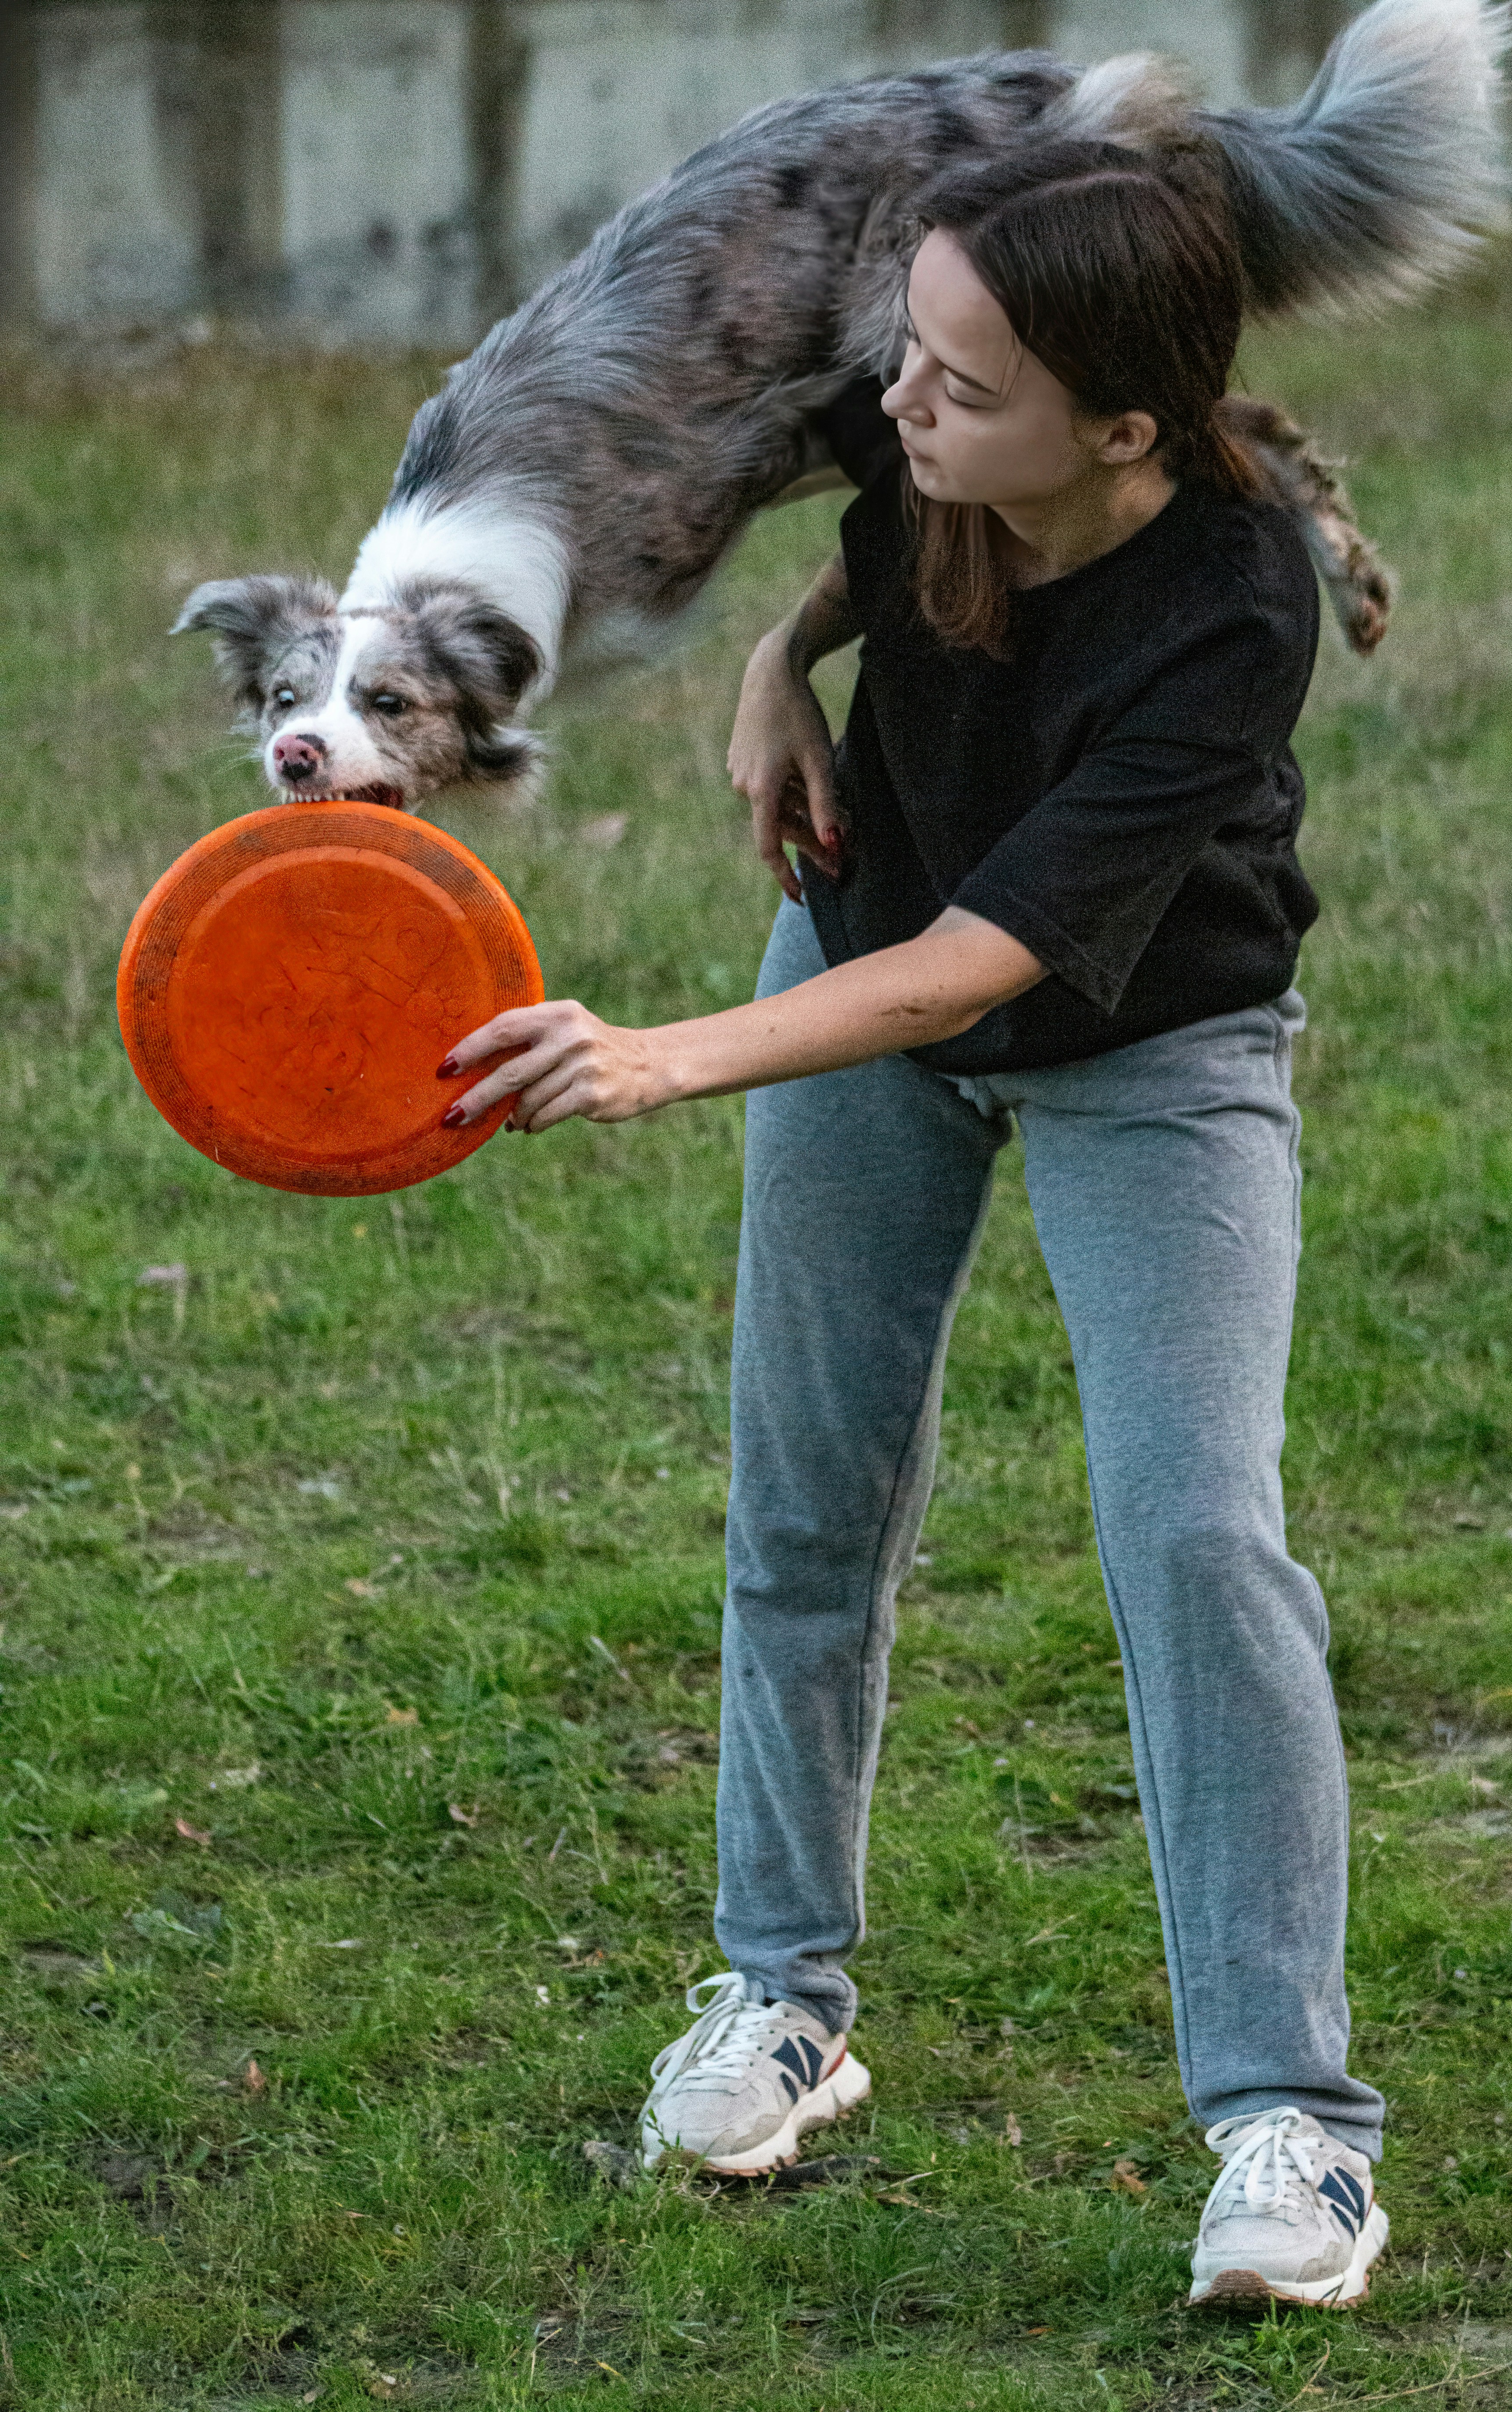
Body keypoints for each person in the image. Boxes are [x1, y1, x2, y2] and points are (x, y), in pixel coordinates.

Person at [441, 138, 1388, 2311]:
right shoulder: (934, 449)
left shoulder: (1230, 606)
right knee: (806, 1504)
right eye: (909, 357)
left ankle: (1292, 2132)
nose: (899, 411)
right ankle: (781, 1993)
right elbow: (871, 554)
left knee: (1196, 1535)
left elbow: (986, 966)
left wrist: (667, 1052)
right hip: (863, 972)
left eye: (959, 382)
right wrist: (780, 662)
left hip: (1153, 1051)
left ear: (1124, 430)